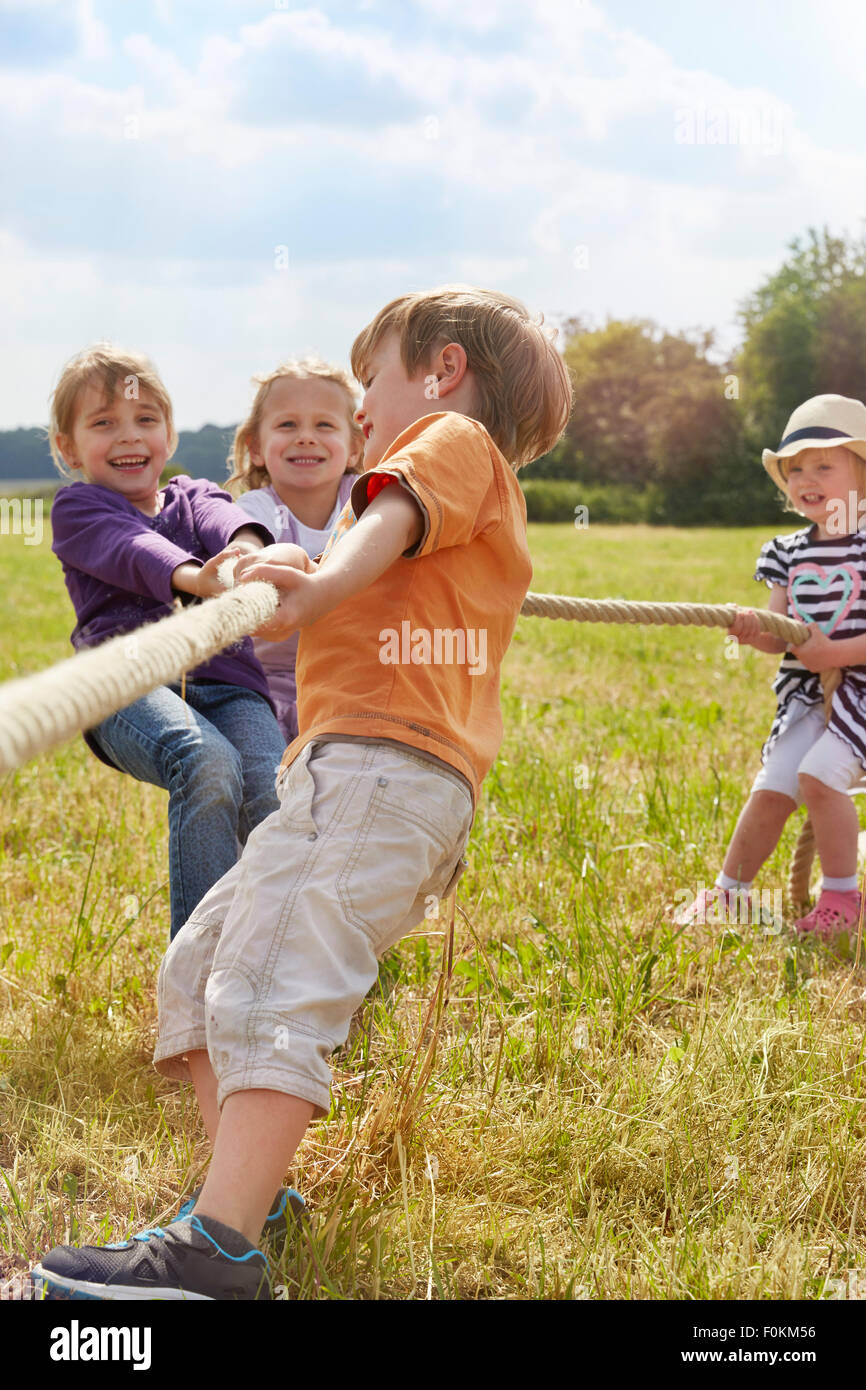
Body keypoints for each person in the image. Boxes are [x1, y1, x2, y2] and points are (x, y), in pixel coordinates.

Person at [31, 285, 573, 1300]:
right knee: (197, 973)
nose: (362, 404)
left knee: (273, 982)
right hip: (339, 773)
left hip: (382, 770)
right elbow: (382, 541)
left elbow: (389, 512)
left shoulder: (449, 443)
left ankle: (218, 1252)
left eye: (370, 378)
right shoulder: (449, 485)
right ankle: (252, 1194)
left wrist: (316, 588)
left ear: (441, 372)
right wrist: (302, 563)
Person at [48, 344, 287, 941]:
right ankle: (197, 977)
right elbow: (129, 547)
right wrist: (193, 576)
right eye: (104, 423)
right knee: (206, 762)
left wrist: (247, 558)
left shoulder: (194, 494)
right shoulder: (79, 508)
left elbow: (227, 523)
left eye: (145, 420)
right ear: (67, 447)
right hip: (128, 681)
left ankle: (280, 957)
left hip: (231, 686)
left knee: (269, 789)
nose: (129, 437)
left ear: (169, 434)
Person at [680, 394, 866, 940]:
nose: (805, 477)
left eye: (823, 464)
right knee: (776, 783)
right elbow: (775, 634)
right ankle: (729, 894)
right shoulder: (786, 552)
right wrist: (752, 630)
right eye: (794, 469)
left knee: (820, 774)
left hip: (862, 692)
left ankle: (841, 899)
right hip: (808, 694)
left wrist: (835, 653)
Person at [227, 357, 363, 742]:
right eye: (288, 425)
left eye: (324, 425)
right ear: (256, 448)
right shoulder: (256, 508)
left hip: (350, 677)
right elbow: (250, 545)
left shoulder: (365, 502)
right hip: (267, 682)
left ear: (354, 448)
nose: (306, 437)